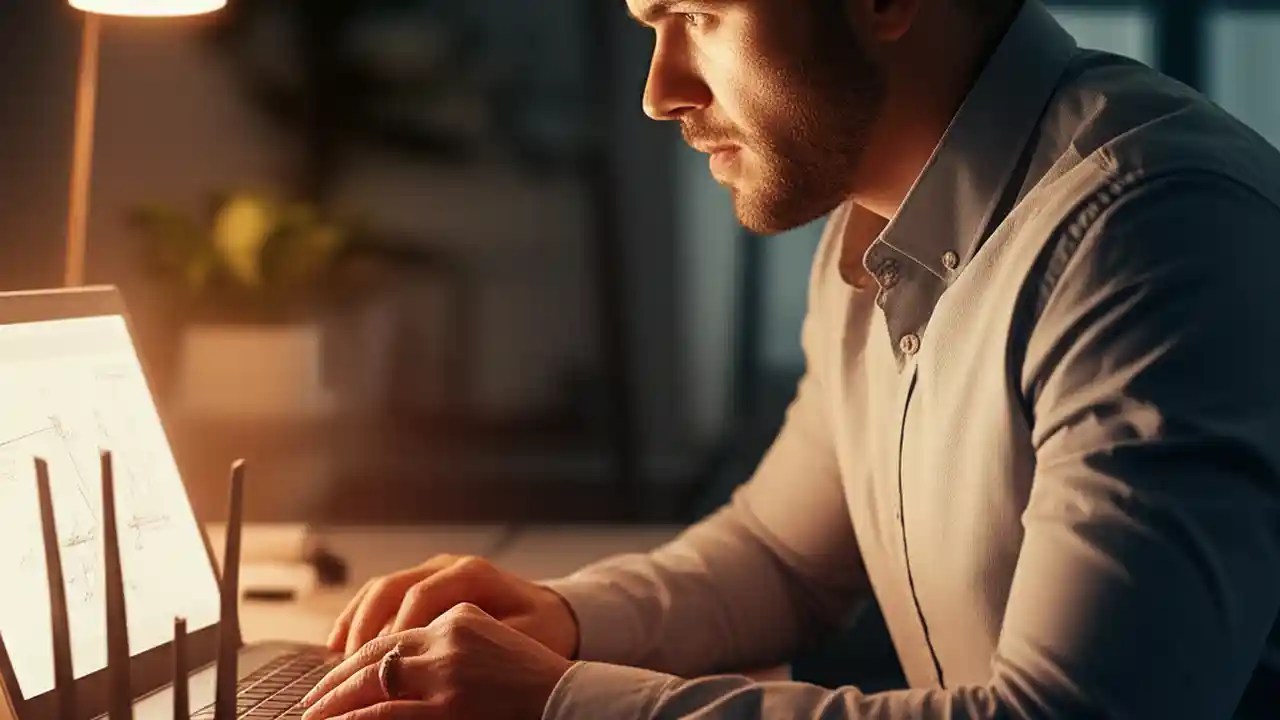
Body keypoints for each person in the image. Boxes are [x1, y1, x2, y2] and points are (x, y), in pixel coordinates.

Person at [299, 0, 1280, 717]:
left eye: (699, 16)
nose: (659, 92)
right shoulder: (874, 226)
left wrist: (558, 703)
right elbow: (781, 555)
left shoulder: (1149, 228)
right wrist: (557, 618)